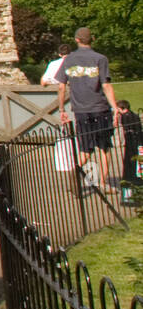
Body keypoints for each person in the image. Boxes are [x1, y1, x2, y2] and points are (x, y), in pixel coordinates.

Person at [55, 27, 120, 192]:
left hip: (80, 110)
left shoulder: (68, 60)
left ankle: (75, 170)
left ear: (76, 40)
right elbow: (106, 85)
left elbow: (61, 87)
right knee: (104, 147)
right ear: (93, 39)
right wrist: (115, 107)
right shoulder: (100, 59)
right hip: (100, 108)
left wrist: (62, 109)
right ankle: (103, 183)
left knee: (85, 149)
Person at [118, 100, 141, 197]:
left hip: (131, 144)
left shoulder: (125, 117)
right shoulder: (134, 115)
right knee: (137, 165)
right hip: (138, 142)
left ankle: (130, 186)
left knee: (129, 164)